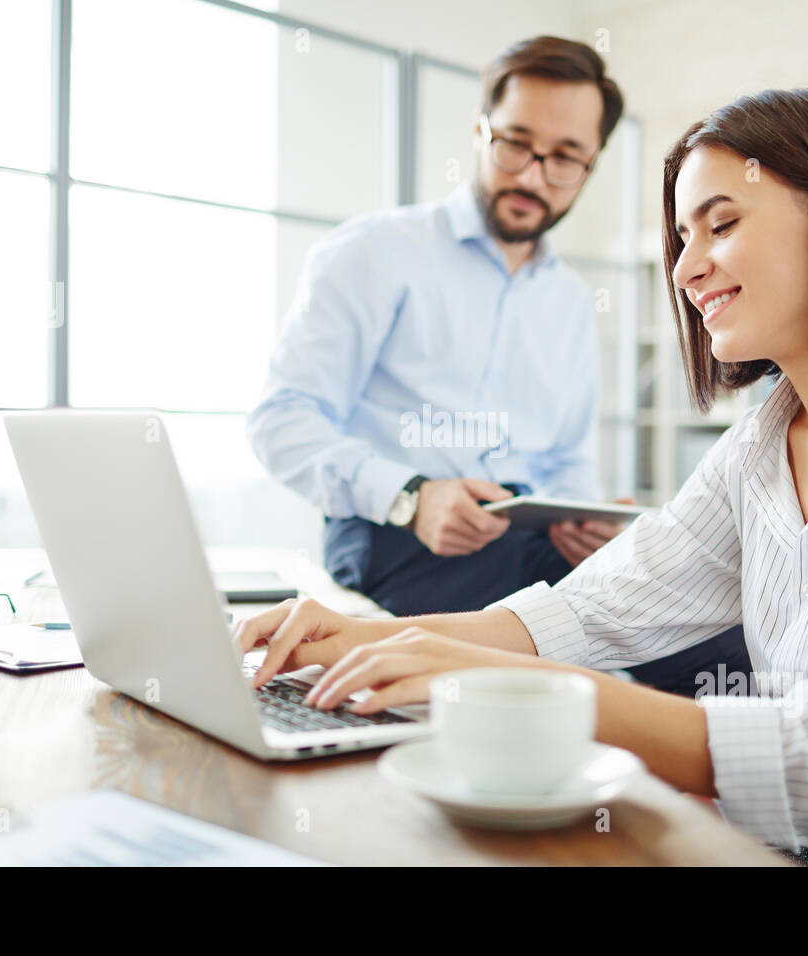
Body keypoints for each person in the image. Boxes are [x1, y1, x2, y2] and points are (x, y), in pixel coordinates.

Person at [233, 88, 808, 857]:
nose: (686, 270)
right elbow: (590, 609)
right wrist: (376, 641)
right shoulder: (760, 443)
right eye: (683, 237)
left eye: (720, 226)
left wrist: (521, 688)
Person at [249, 35, 752, 689]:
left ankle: (765, 764)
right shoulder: (372, 253)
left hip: (527, 532)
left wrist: (583, 519)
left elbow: (566, 460)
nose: (532, 176)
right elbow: (279, 422)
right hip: (392, 534)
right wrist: (411, 497)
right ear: (482, 130)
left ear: (591, 163)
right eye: (516, 143)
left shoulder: (570, 302)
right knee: (604, 618)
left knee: (700, 612)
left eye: (565, 158)